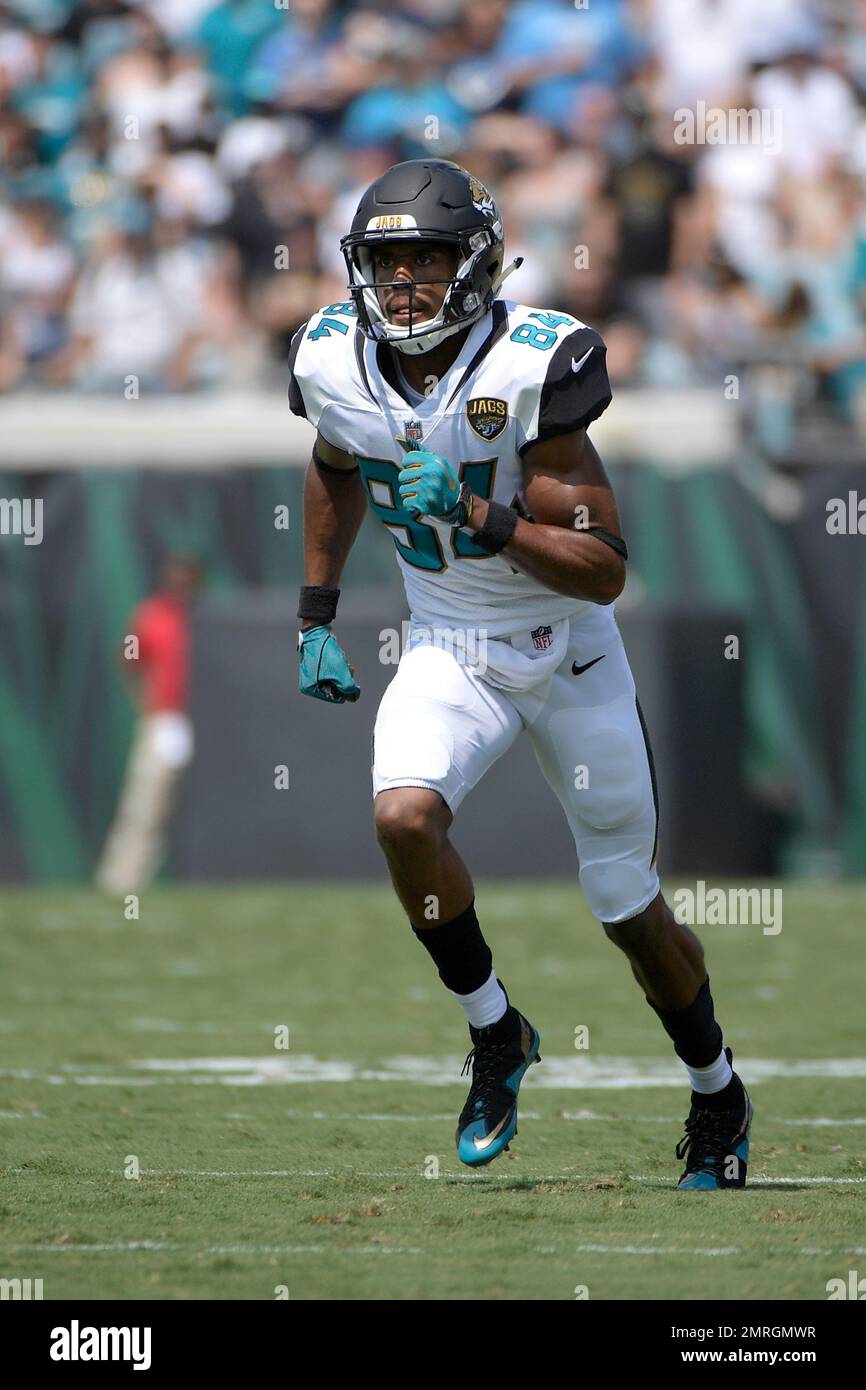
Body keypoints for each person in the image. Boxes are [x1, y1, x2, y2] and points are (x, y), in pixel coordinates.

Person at [289, 159, 753, 1189]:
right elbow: (332, 463)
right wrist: (315, 613)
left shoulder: (531, 366)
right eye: (387, 260)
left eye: (427, 258)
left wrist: (478, 514)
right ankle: (495, 1031)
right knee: (404, 817)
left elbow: (602, 571)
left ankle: (715, 1088)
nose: (403, 281)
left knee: (627, 910)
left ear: (477, 264)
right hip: (449, 647)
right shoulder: (330, 357)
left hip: (569, 652)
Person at [95, 552, 201, 893]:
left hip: (204, 722)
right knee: (143, 805)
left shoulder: (201, 619)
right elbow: (129, 662)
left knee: (177, 809)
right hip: (164, 721)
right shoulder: (152, 615)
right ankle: (121, 881)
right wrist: (147, 705)